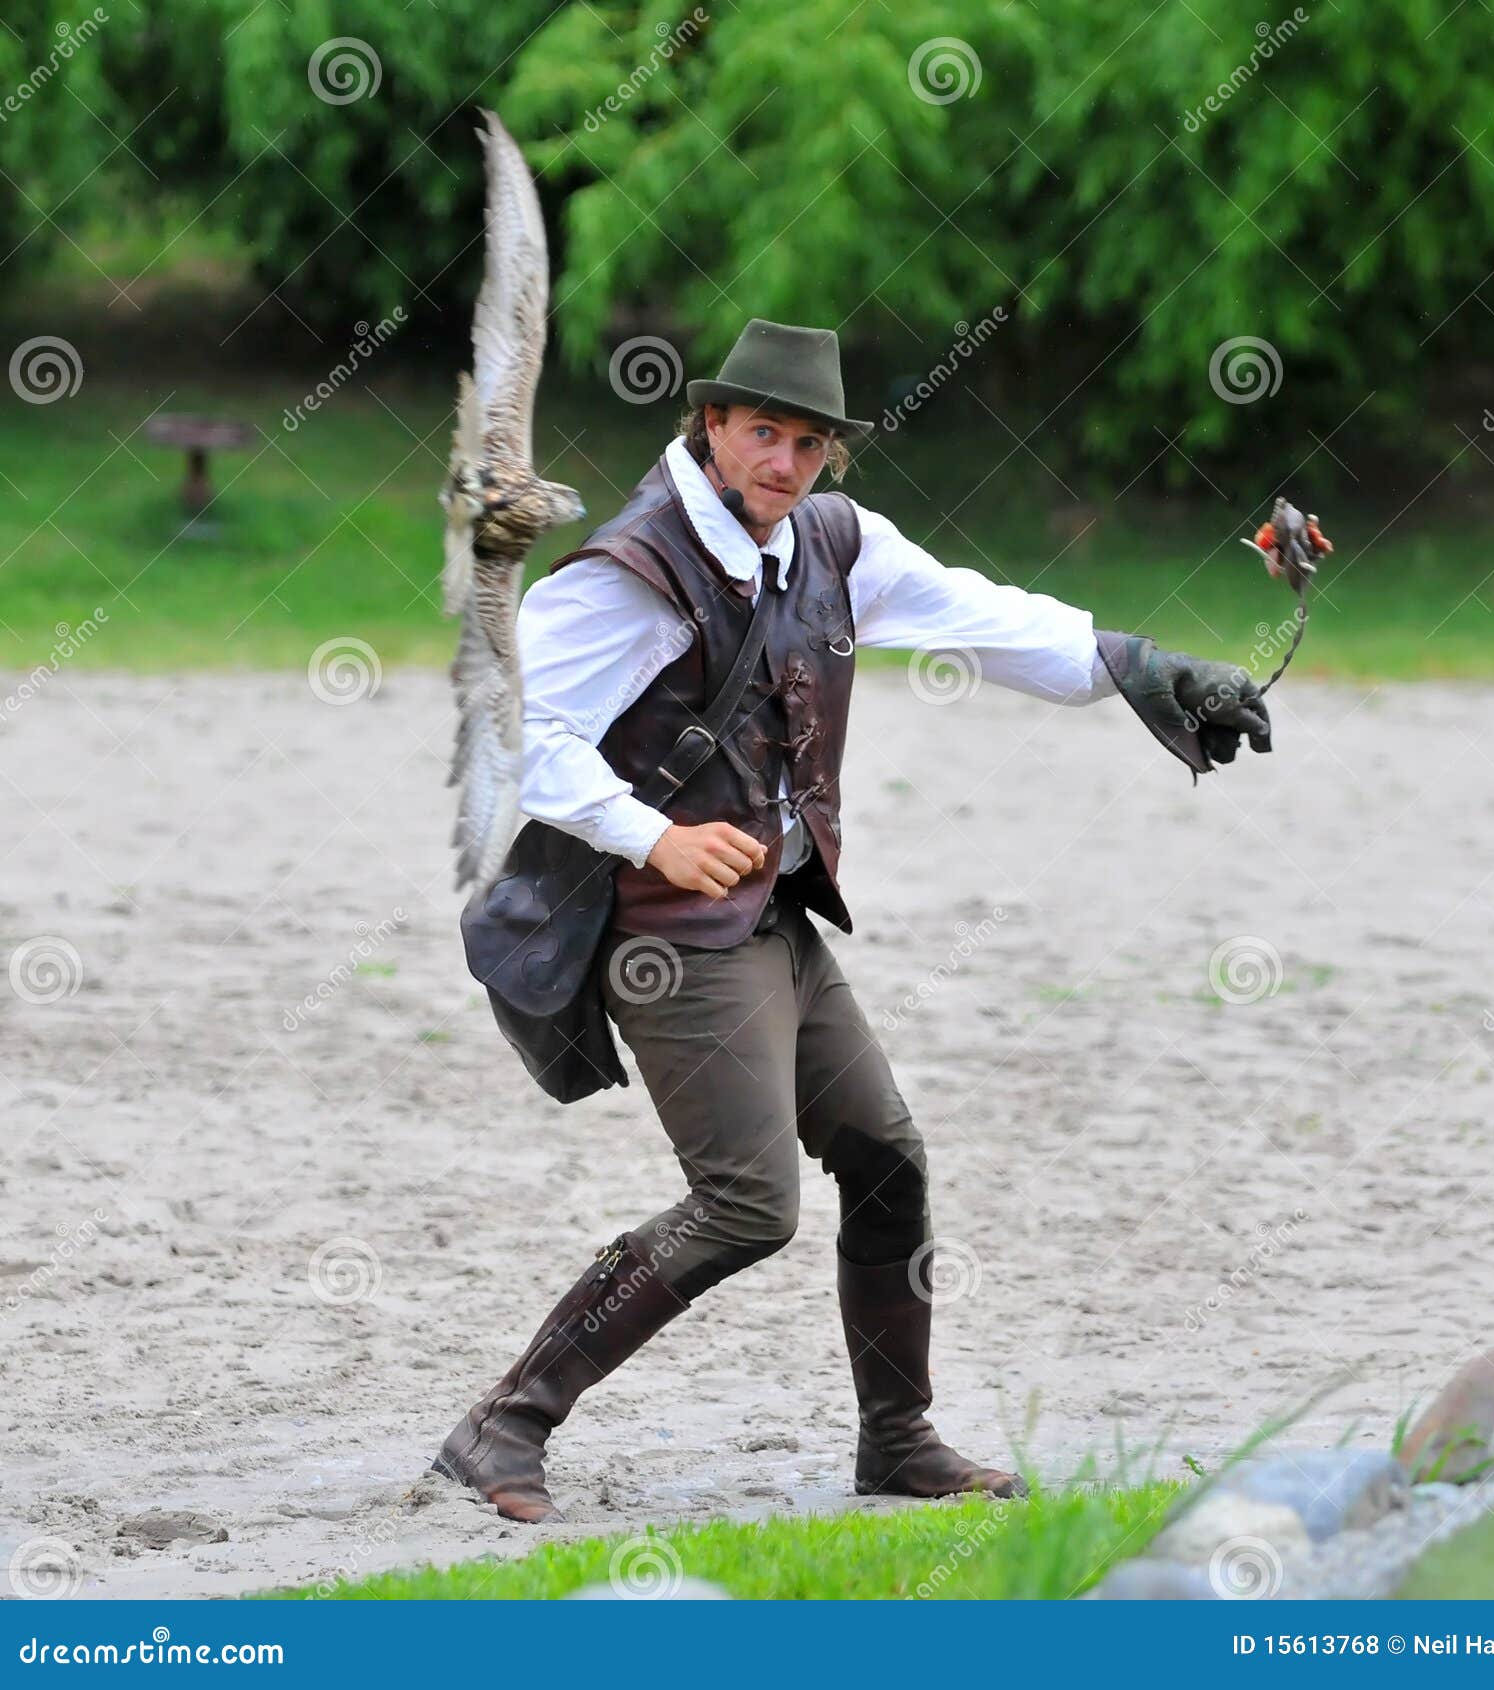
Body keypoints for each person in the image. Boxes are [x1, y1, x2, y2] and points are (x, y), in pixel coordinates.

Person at [433, 318, 1270, 1521]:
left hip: (771, 915)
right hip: (665, 933)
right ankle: (501, 1426)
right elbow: (521, 735)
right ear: (710, 426)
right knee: (747, 1204)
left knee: (885, 1159)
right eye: (762, 431)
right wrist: (649, 833)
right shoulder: (632, 573)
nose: (783, 460)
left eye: (808, 441)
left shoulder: (830, 539)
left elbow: (979, 616)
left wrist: (1144, 666)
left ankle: (898, 1441)